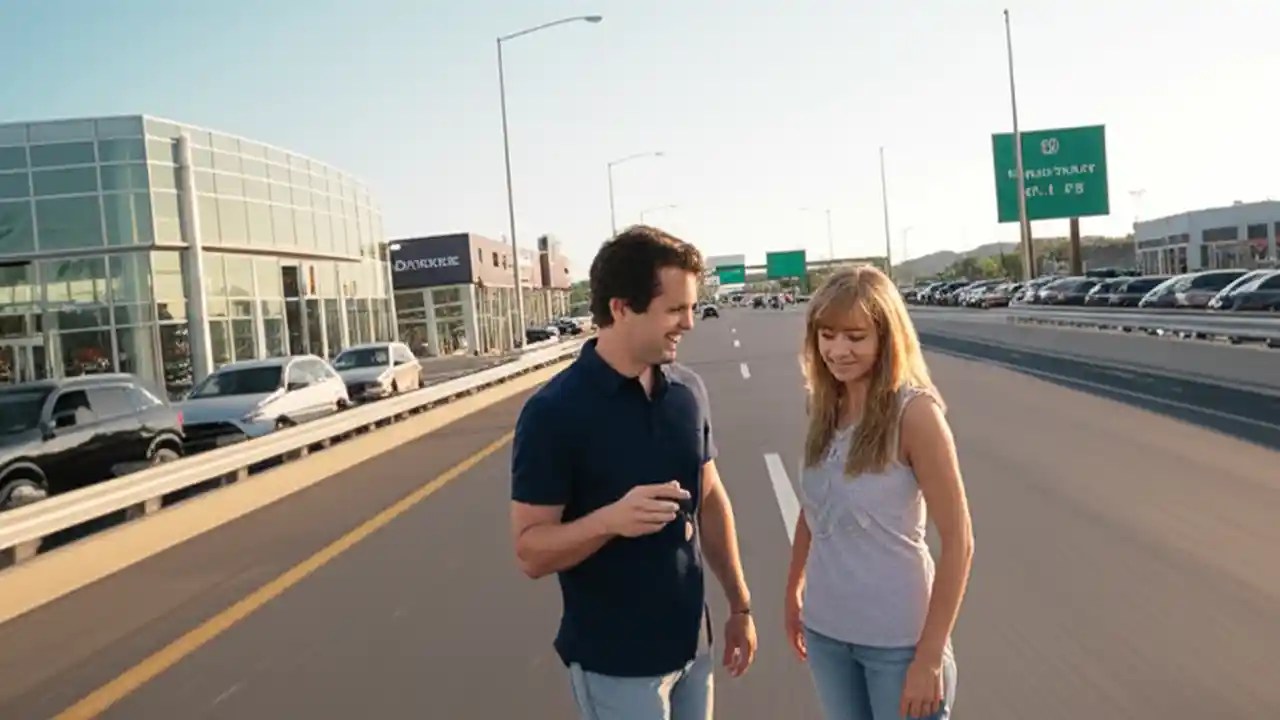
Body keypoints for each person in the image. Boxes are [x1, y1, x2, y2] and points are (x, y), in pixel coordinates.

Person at [510, 225, 757, 720]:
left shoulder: (688, 392)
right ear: (621, 308)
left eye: (691, 307)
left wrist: (740, 606)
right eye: (674, 309)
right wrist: (609, 521)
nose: (689, 322)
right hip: (617, 665)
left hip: (695, 647)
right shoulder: (553, 413)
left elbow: (710, 500)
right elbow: (530, 551)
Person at [783, 266, 975, 720]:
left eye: (854, 336)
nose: (837, 350)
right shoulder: (823, 406)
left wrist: (928, 657)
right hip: (827, 633)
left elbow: (960, 543)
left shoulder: (916, 414)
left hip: (899, 642)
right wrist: (793, 592)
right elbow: (814, 510)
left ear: (885, 337)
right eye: (827, 335)